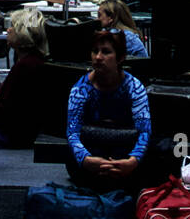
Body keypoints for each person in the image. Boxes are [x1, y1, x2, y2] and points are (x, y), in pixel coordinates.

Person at [65, 30, 169, 192]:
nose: (98, 57)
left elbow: (144, 131)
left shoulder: (134, 87)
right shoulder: (80, 88)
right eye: (95, 51)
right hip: (94, 150)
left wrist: (133, 161)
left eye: (106, 52)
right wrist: (85, 159)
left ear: (120, 58)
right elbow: (73, 132)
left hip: (126, 149)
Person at [0, 7, 48, 148]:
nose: (8, 30)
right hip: (26, 131)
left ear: (23, 33)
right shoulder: (36, 60)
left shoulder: (25, 65)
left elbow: (4, 110)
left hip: (15, 135)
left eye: (12, 27)